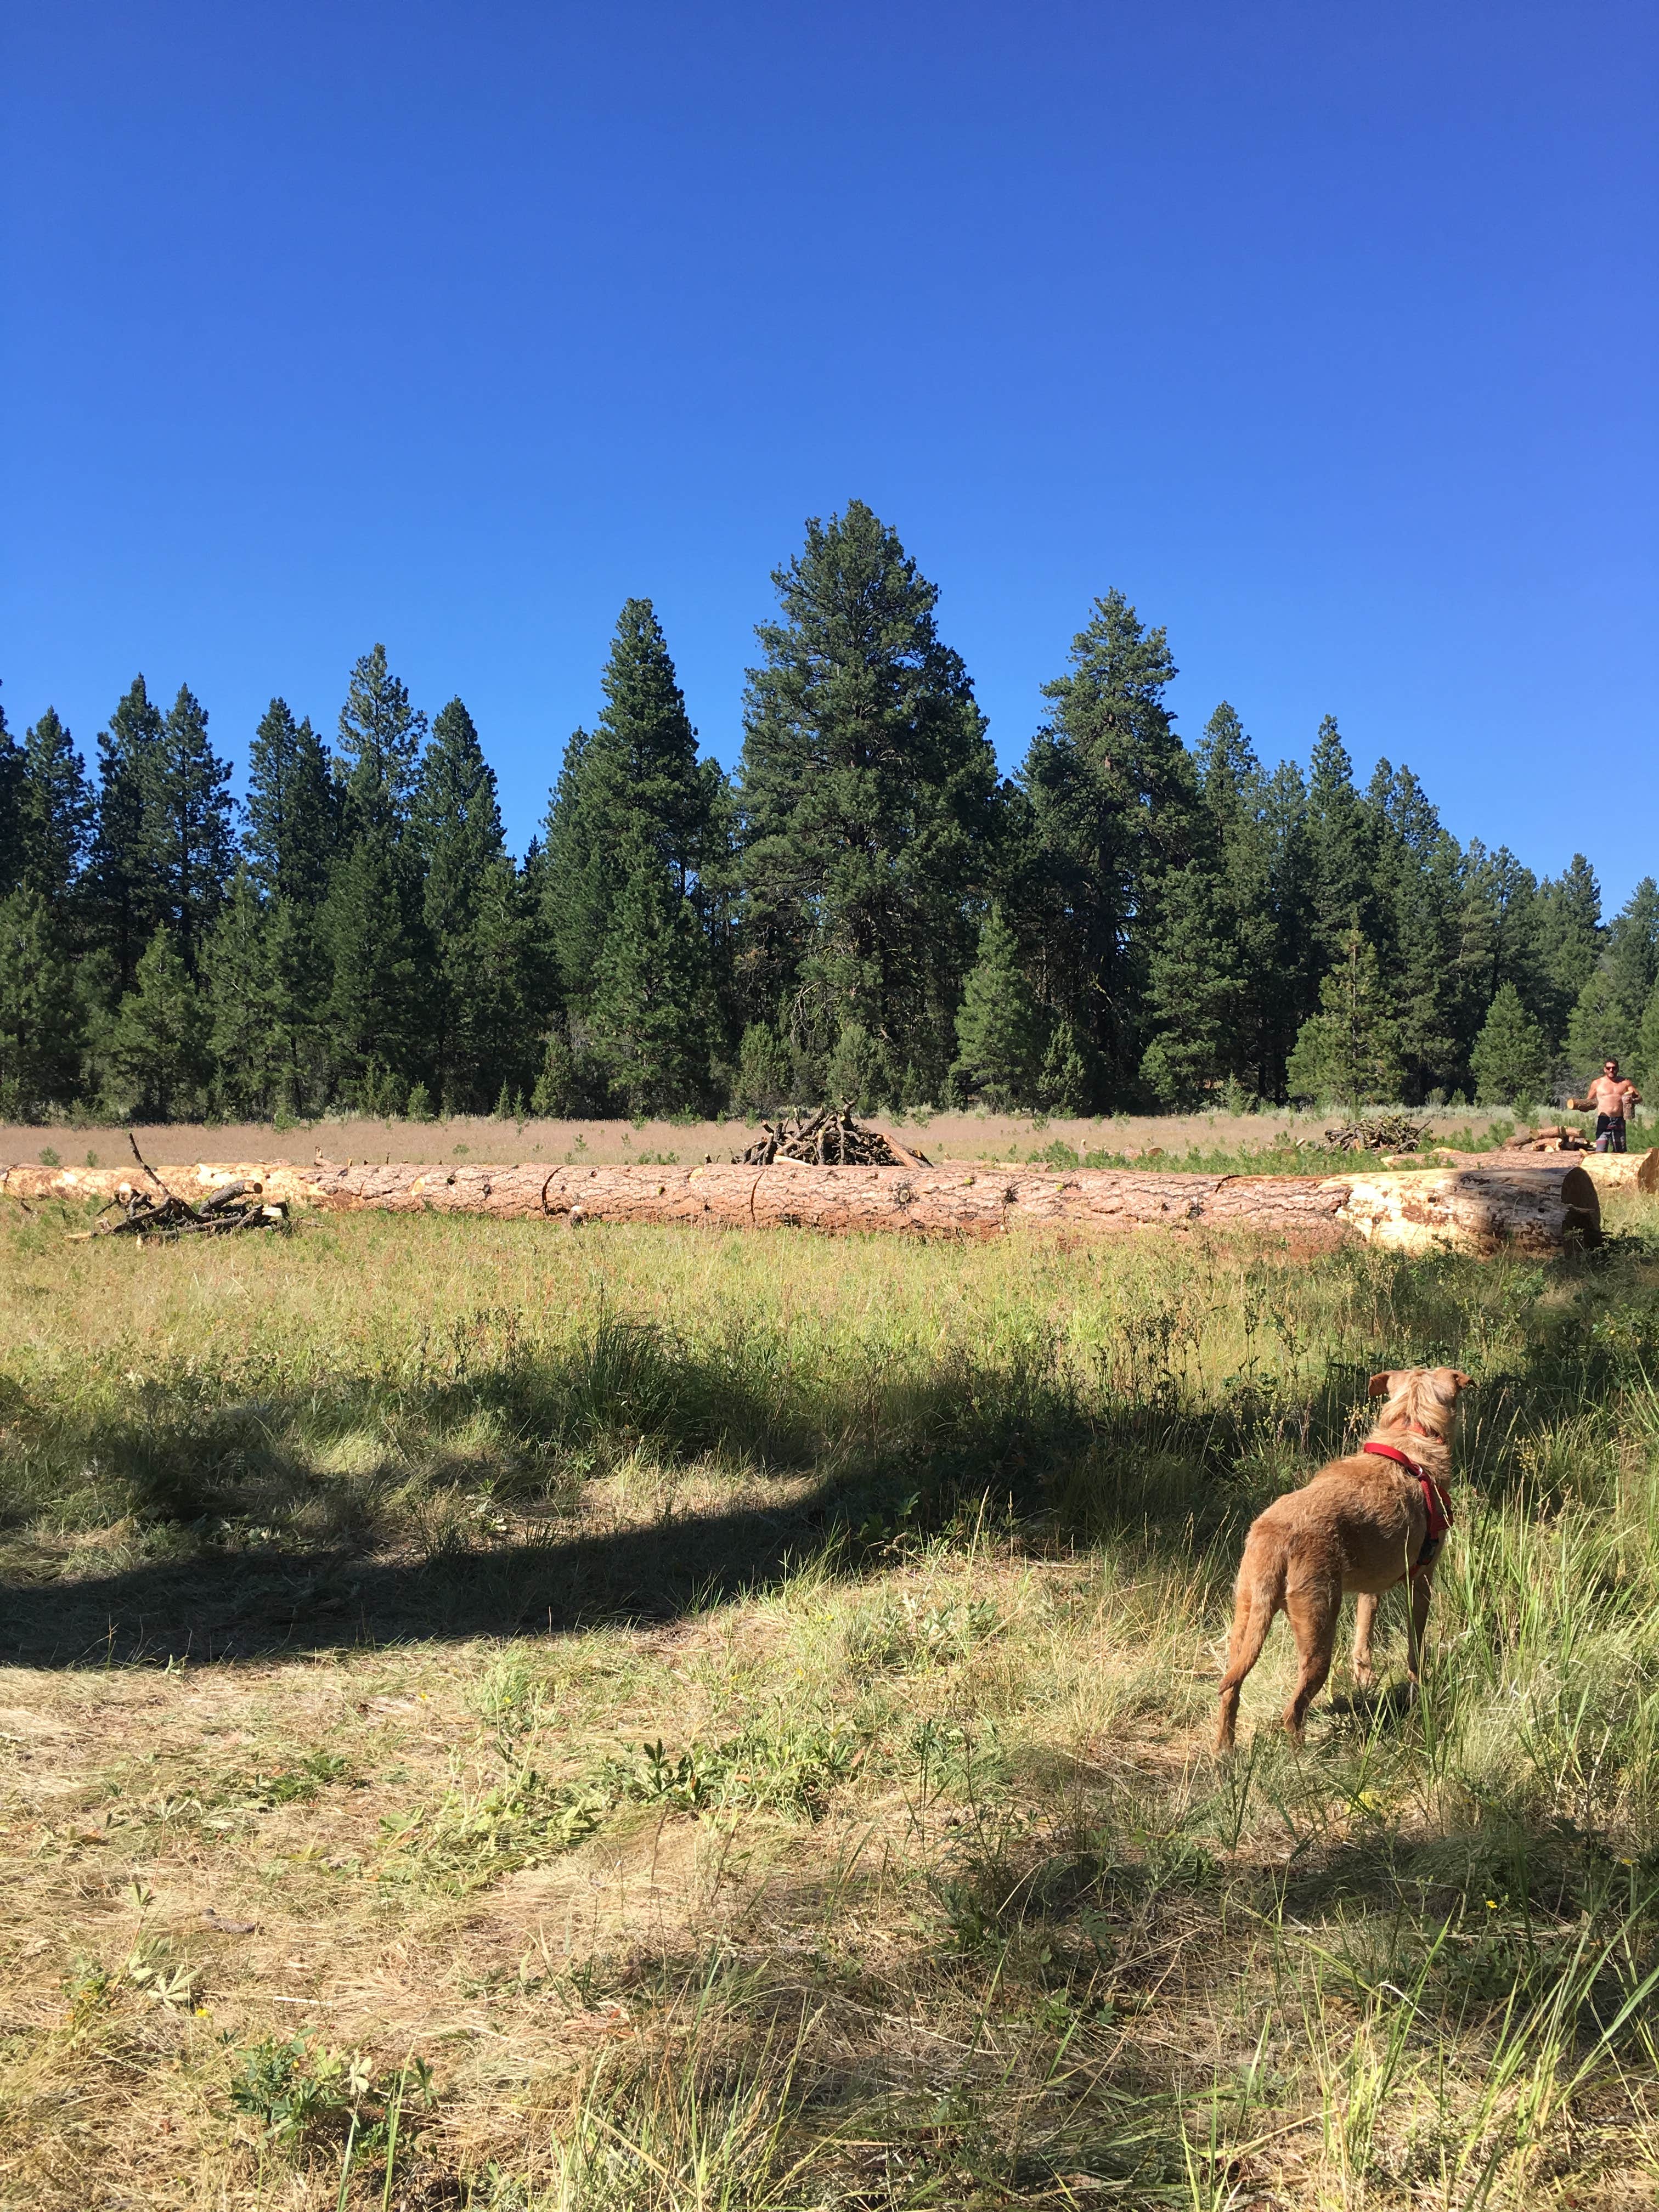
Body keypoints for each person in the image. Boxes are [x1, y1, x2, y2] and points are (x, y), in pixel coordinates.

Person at [1568, 1059, 1642, 1152]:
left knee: (1620, 1151)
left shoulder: (1625, 1083)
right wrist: (1582, 1107)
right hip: (1604, 1120)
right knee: (1600, 1150)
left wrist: (1633, 1100)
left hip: (1619, 1120)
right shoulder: (1597, 1083)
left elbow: (1639, 1098)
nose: (1611, 1070)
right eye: (1608, 1068)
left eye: (1614, 1068)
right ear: (1605, 1069)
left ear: (1618, 1069)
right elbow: (1588, 1101)